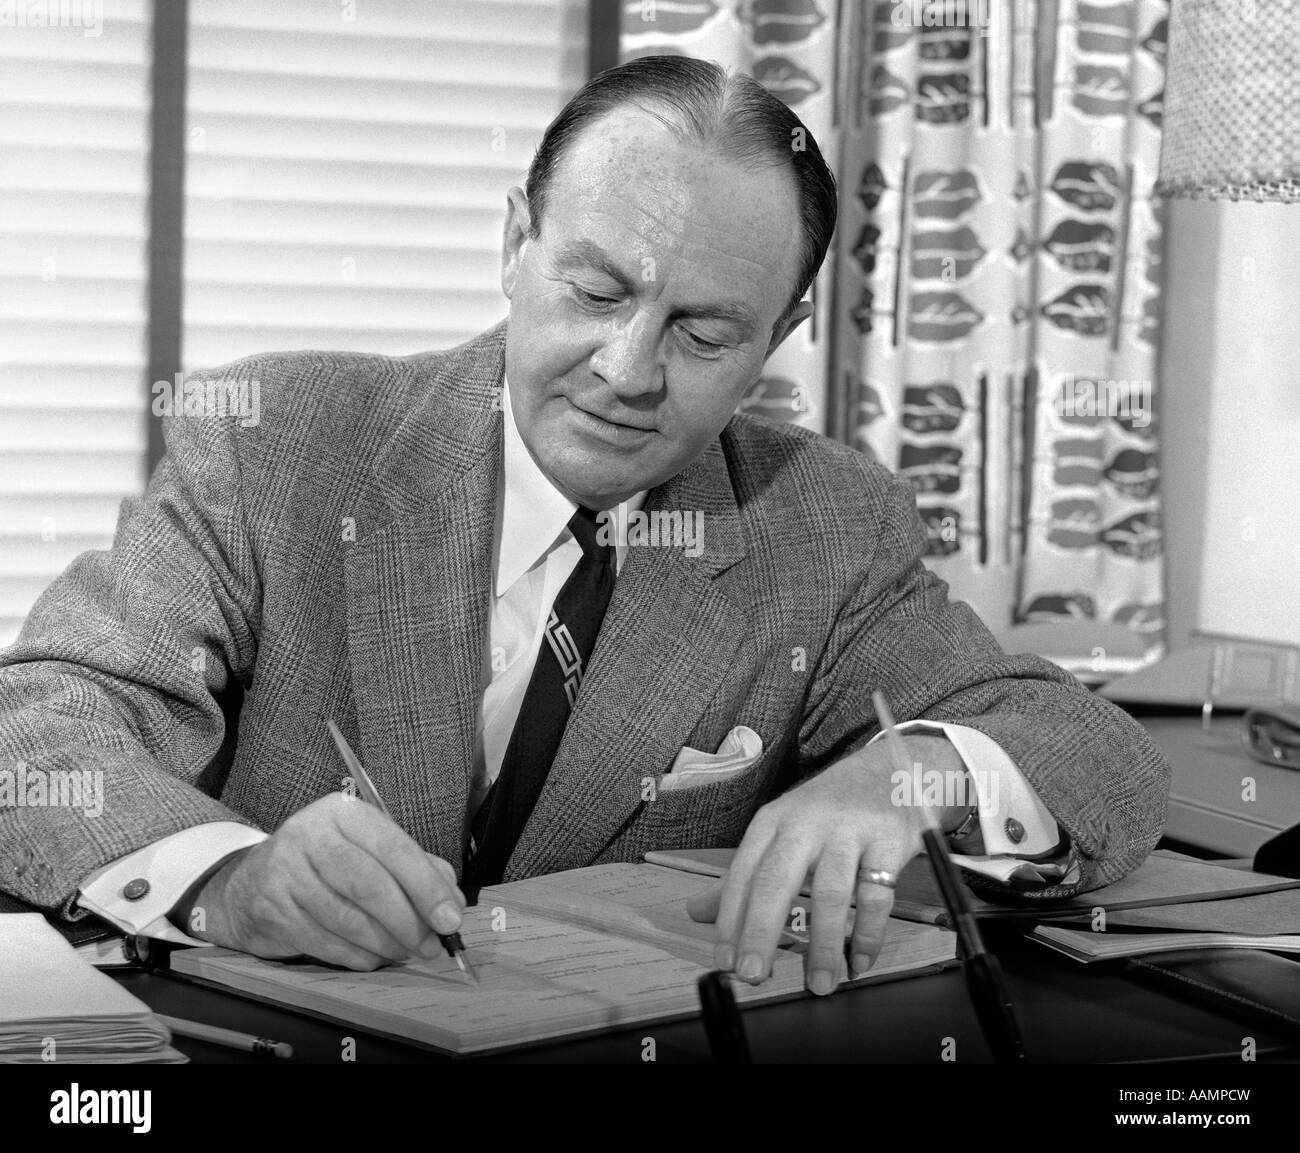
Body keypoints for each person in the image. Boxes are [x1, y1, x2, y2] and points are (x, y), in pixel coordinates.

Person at [0, 56, 1170, 998]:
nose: (626, 370)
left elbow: (1092, 754)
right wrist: (231, 877)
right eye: (597, 292)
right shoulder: (281, 441)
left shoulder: (827, 524)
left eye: (705, 334)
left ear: (782, 329)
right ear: (515, 245)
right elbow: (38, 733)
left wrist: (911, 772)